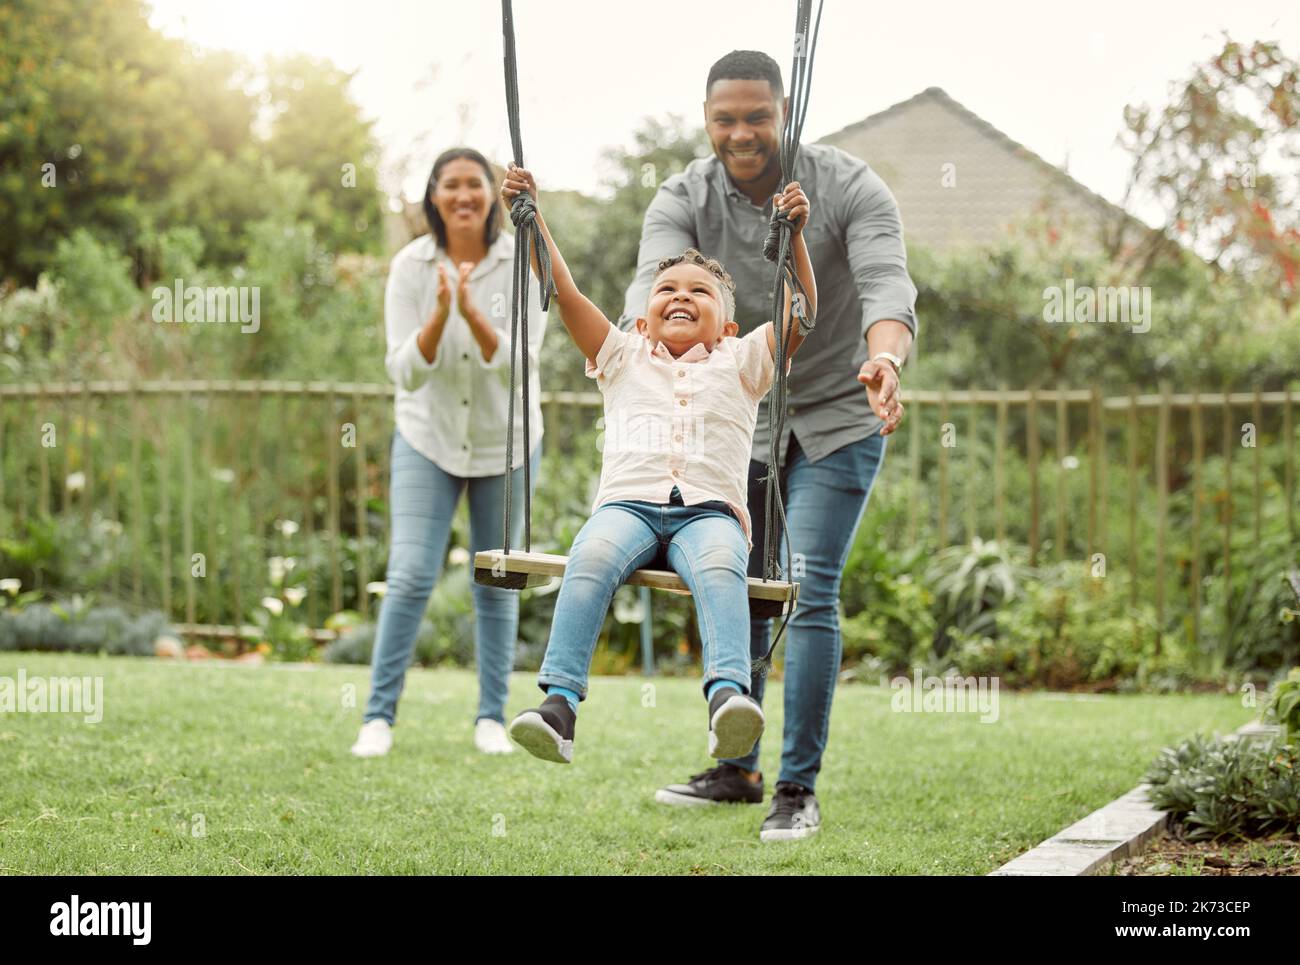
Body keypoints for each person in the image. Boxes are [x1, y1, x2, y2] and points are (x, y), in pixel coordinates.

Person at [620, 50, 918, 841]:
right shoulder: (682, 197)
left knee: (810, 586)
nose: (742, 133)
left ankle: (797, 786)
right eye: (726, 119)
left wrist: (884, 358)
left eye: (758, 116)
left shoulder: (849, 186)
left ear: (784, 113)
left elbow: (888, 283)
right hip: (734, 418)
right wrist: (631, 355)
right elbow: (647, 289)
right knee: (738, 580)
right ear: (707, 120)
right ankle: (736, 768)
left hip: (837, 411)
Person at [497, 161, 817, 766]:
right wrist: (533, 221)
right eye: (668, 290)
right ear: (643, 319)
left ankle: (727, 700)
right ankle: (558, 707)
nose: (682, 296)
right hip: (627, 507)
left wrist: (795, 237)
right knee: (589, 558)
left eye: (700, 292)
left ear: (730, 323)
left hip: (709, 515)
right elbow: (565, 294)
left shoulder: (744, 360)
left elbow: (801, 310)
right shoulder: (622, 355)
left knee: (724, 566)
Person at [351, 147, 546, 758]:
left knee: (495, 579)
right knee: (410, 575)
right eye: (450, 185)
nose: (463, 195)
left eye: (475, 184)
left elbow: (523, 365)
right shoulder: (411, 267)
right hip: (427, 439)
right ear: (432, 197)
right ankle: (378, 719)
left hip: (506, 446)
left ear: (492, 195)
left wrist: (470, 312)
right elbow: (403, 371)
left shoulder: (522, 263)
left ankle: (491, 718)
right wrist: (441, 314)